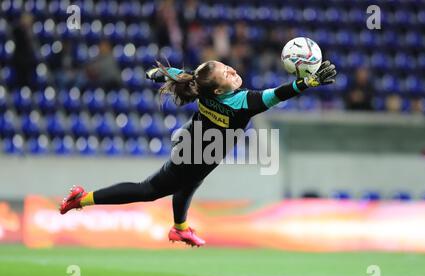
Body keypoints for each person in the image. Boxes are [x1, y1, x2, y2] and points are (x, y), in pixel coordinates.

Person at [59, 60, 337, 247]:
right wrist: (306, 83)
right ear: (218, 89)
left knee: (190, 183)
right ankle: (82, 199)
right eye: (226, 73)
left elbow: (182, 75)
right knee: (149, 190)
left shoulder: (201, 86)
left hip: (195, 146)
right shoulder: (245, 103)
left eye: (227, 67)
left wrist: (159, 74)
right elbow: (279, 93)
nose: (232, 71)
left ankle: (180, 227)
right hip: (191, 158)